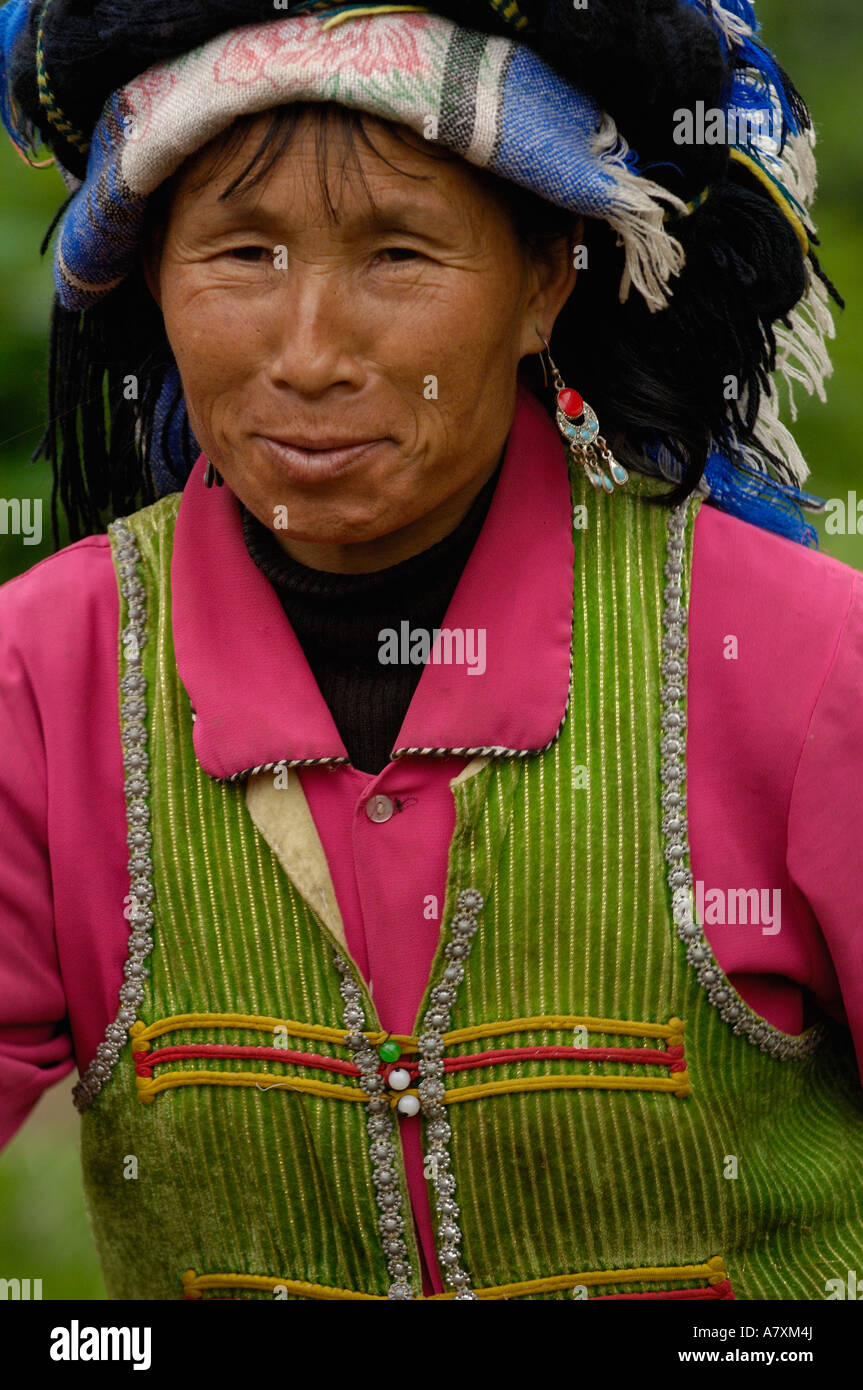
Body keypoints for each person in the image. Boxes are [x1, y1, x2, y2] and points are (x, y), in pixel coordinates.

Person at [1, 0, 862, 1302]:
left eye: (399, 254)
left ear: (545, 277)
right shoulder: (43, 681)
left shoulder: (804, 665)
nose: (308, 352)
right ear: (148, 274)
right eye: (241, 254)